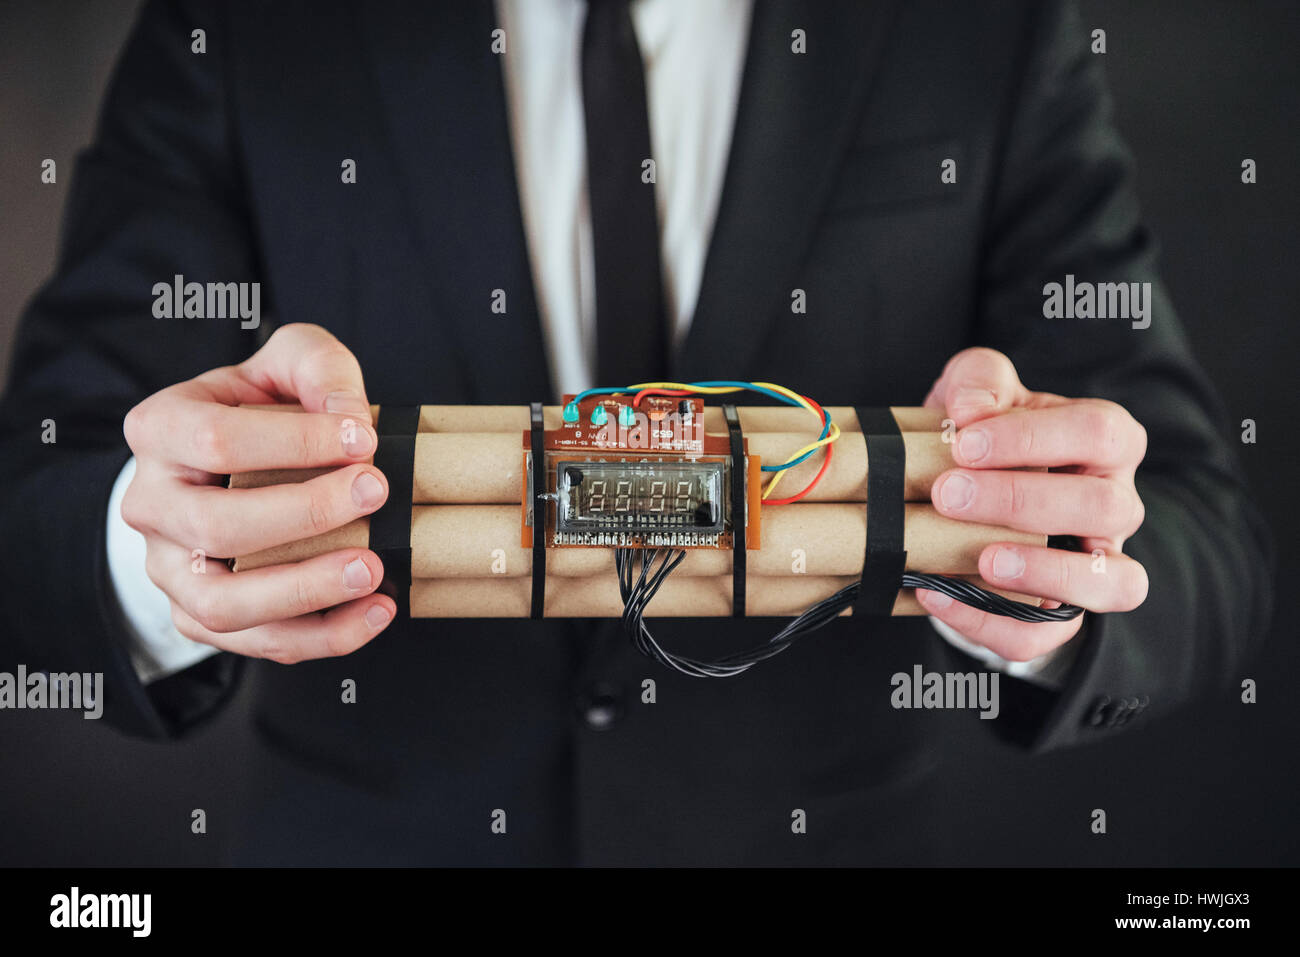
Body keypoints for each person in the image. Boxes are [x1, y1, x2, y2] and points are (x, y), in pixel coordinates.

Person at [0, 0, 1272, 865]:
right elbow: (35, 504)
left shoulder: (980, 31)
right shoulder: (248, 29)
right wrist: (153, 547)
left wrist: (1067, 570)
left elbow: (1203, 538)